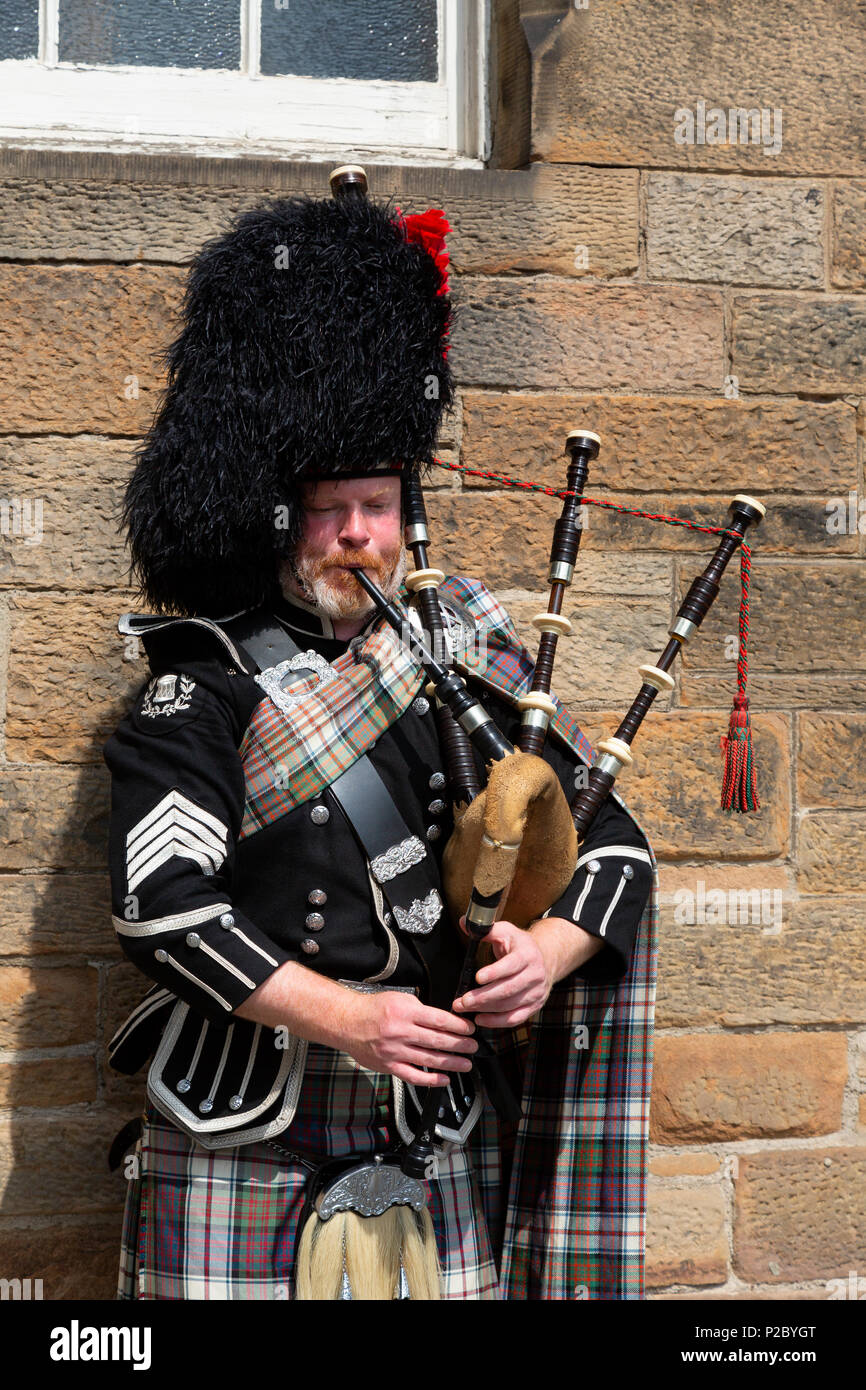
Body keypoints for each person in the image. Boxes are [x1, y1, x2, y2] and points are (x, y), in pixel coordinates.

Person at [104, 169, 658, 1300]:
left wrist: (539, 963)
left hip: (432, 1123)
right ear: (275, 512)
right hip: (242, 1123)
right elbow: (158, 906)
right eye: (328, 507)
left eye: (379, 500)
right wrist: (351, 1017)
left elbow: (616, 846)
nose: (358, 533)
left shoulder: (459, 654)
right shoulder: (201, 677)